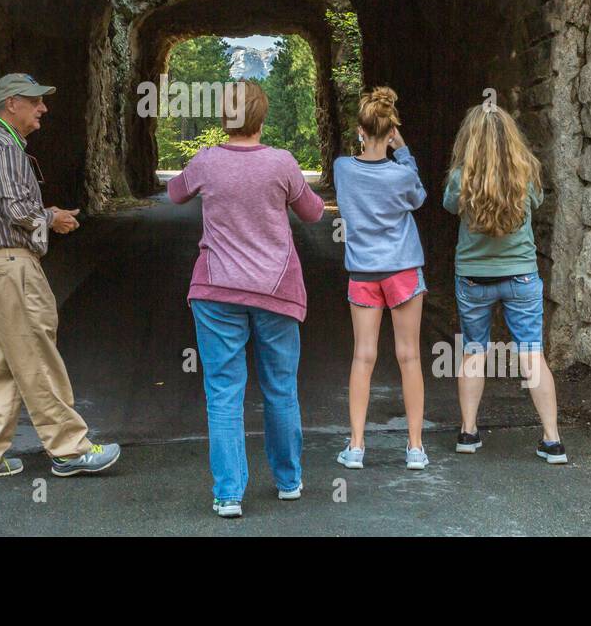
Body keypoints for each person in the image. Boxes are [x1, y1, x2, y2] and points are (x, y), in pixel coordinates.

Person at [167, 80, 325, 518]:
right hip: (275, 289)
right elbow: (312, 213)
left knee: (223, 390)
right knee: (280, 387)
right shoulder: (282, 163)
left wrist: (199, 167)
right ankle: (289, 480)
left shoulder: (207, 161)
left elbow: (175, 192)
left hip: (216, 290)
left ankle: (229, 493)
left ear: (224, 117)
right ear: (261, 117)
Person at [0, 73, 121, 480]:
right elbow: (18, 211)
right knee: (36, 357)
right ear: (11, 104)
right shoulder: (8, 149)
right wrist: (53, 217)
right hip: (12, 266)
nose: (43, 109)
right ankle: (69, 449)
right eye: (35, 102)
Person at [442, 102, 566, 464]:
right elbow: (538, 202)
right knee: (531, 353)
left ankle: (468, 432)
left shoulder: (461, 177)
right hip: (521, 275)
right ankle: (552, 439)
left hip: (474, 277)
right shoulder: (524, 173)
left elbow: (450, 206)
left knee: (473, 353)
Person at [332, 87, 430, 470]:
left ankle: (356, 446)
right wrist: (403, 150)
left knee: (363, 356)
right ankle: (416, 448)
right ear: (391, 132)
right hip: (403, 269)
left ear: (360, 130)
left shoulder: (342, 169)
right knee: (409, 357)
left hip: (363, 272)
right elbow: (419, 198)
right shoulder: (401, 174)